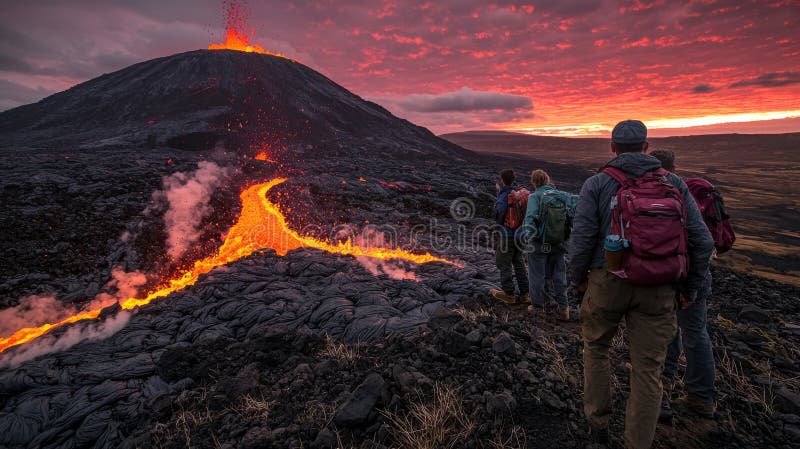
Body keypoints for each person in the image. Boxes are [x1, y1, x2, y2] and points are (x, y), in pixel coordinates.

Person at [568, 120, 714, 449]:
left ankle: (598, 425)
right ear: (647, 148)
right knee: (648, 368)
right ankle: (638, 442)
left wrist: (576, 283)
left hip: (608, 279)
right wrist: (688, 289)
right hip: (660, 287)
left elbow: (581, 241)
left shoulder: (596, 184)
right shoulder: (674, 183)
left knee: (596, 349)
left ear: (612, 147)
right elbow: (702, 243)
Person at [649, 149, 716, 420]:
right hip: (693, 277)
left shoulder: (650, 195)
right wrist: (693, 287)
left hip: (663, 276)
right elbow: (704, 242)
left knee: (664, 334)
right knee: (696, 333)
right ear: (674, 166)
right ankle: (701, 398)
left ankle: (660, 397)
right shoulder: (685, 192)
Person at [521, 169, 571, 320]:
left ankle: (538, 307)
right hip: (558, 242)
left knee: (537, 275)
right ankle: (564, 309)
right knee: (559, 275)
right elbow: (570, 217)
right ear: (548, 180)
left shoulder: (535, 196)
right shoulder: (562, 195)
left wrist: (530, 239)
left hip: (539, 243)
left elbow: (529, 219)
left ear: (534, 182)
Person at [490, 169, 531, 305]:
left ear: (502, 179)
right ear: (514, 178)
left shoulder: (505, 194)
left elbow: (500, 212)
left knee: (503, 262)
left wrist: (499, 224)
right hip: (521, 234)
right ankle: (525, 294)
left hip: (508, 234)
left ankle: (509, 294)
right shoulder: (520, 192)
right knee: (518, 261)